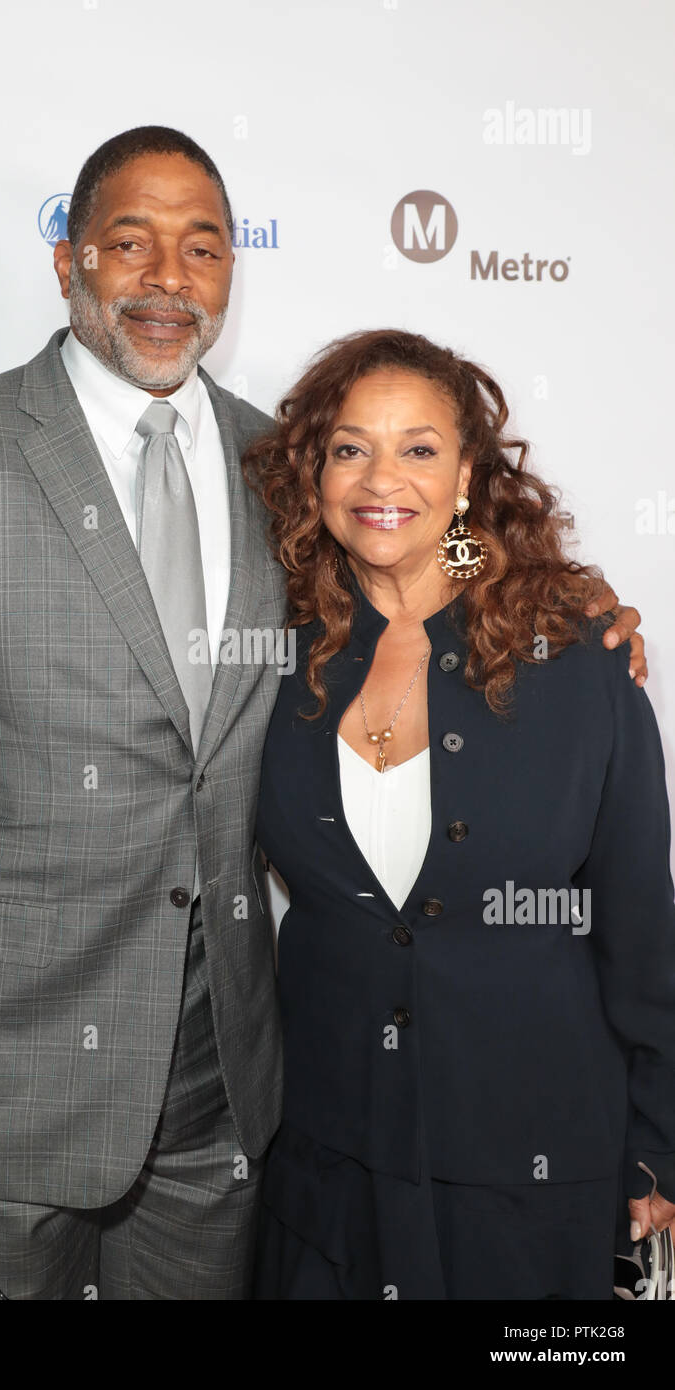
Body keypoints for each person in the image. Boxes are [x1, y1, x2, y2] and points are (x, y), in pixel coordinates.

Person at [0, 129, 645, 1302]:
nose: (167, 277)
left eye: (200, 248)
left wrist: (569, 602)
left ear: (229, 274)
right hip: (8, 1104)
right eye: (129, 242)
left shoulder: (282, 469)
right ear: (68, 261)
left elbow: (435, 554)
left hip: (232, 1105)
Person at [247, 328, 675, 1300]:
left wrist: (656, 1144)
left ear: (468, 473)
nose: (378, 476)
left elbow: (637, 926)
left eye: (418, 448)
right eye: (348, 447)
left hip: (529, 1167)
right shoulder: (271, 663)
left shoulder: (574, 659)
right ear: (314, 471)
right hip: (329, 1163)